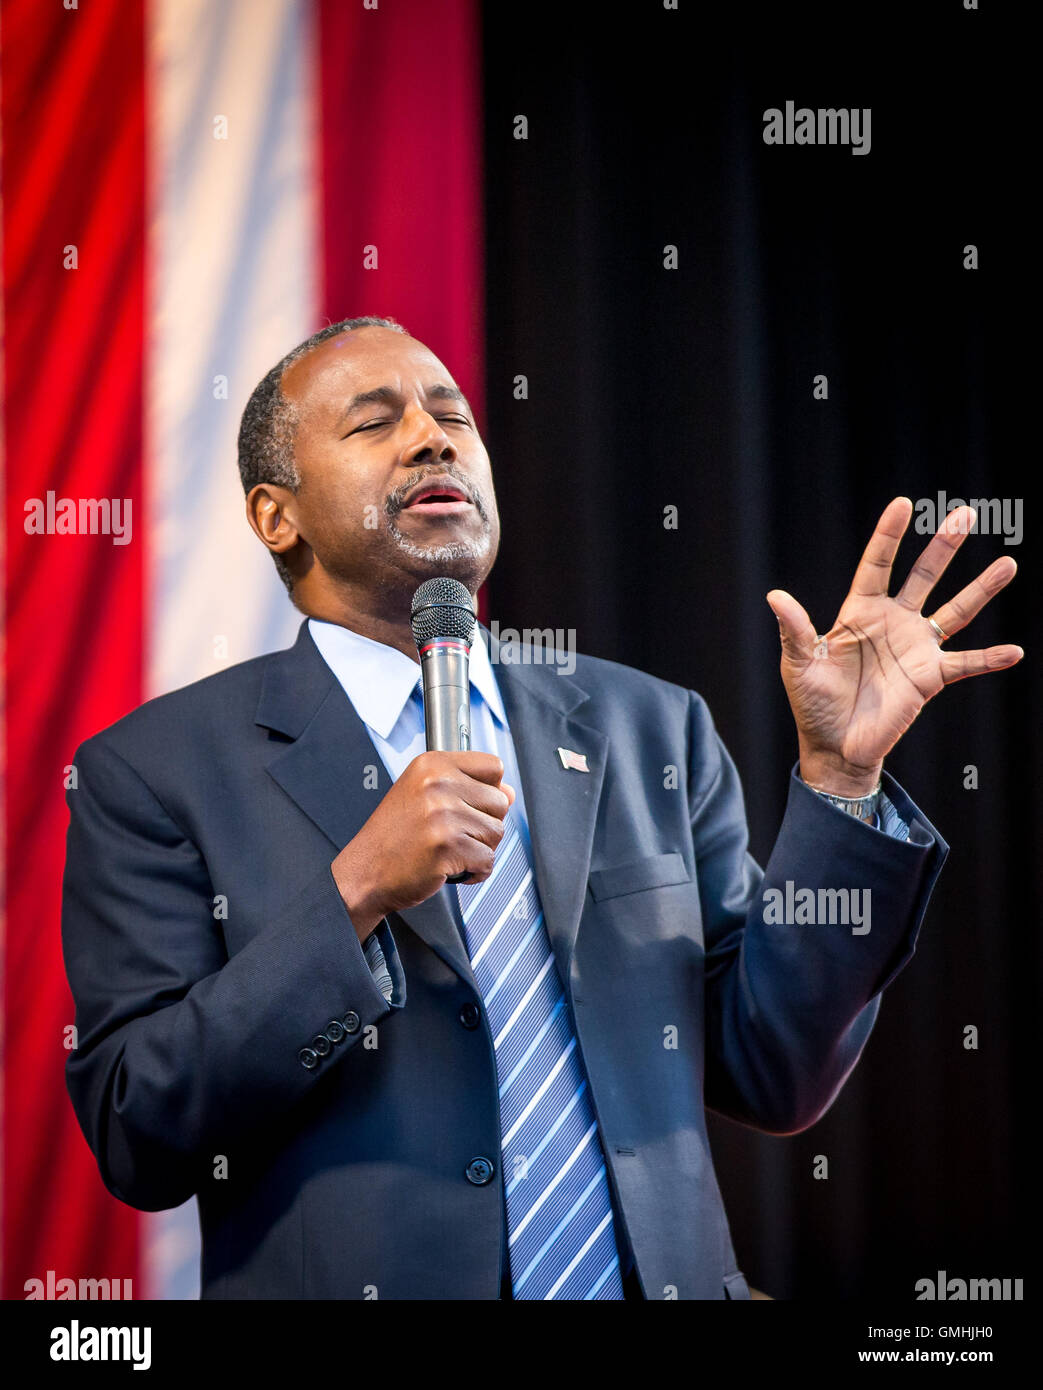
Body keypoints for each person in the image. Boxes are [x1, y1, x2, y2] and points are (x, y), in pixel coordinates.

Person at [61, 316, 1022, 1300]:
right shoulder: (152, 772)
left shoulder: (649, 726)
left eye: (452, 415)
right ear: (277, 515)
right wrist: (353, 893)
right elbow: (140, 1129)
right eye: (374, 421)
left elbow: (769, 1067)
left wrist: (839, 780)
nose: (434, 438)